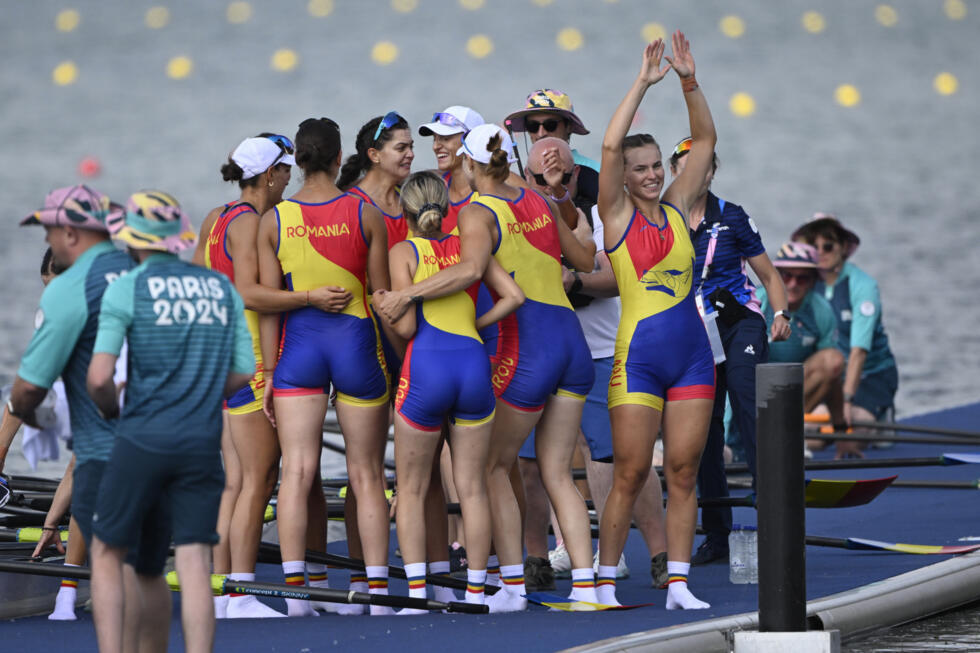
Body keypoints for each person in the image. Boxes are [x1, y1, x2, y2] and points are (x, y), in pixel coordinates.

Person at [376, 123, 598, 613]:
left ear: (470, 165)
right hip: (572, 343)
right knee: (559, 471)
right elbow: (584, 257)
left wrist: (405, 293)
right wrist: (565, 206)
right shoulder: (538, 200)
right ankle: (590, 586)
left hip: (531, 347)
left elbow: (471, 271)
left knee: (494, 468)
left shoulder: (477, 213)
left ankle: (512, 587)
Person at [87, 190, 253, 653]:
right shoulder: (221, 288)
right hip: (201, 438)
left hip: (141, 436)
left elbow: (100, 377)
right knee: (196, 562)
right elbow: (243, 372)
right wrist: (199, 394)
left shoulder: (128, 287)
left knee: (106, 551)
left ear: (134, 241)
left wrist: (110, 409)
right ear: (177, 238)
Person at [595, 33, 717, 610]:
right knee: (631, 471)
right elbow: (611, 144)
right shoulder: (614, 215)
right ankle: (601, 581)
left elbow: (707, 139)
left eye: (653, 167)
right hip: (638, 360)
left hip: (692, 357)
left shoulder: (677, 206)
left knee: (685, 472)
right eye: (639, 168)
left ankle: (679, 584)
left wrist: (689, 81)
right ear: (624, 177)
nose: (648, 174)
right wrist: (643, 81)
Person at [257, 117, 394, 616]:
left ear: (297, 160)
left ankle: (298, 597)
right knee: (366, 474)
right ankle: (375, 597)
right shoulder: (366, 211)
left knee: (296, 472)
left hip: (299, 351)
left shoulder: (275, 219)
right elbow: (381, 297)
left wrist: (270, 372)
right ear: (340, 159)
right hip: (356, 345)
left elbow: (270, 303)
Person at [523, 138, 671, 589]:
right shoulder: (513, 210)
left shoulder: (604, 212)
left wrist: (575, 279)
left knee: (620, 457)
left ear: (576, 169)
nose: (554, 180)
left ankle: (656, 555)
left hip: (603, 346)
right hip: (537, 349)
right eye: (540, 176)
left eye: (566, 175)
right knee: (530, 461)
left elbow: (616, 276)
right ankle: (538, 559)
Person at [376, 171, 524, 611]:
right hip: (473, 364)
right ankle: (477, 592)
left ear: (404, 210)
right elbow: (513, 295)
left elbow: (404, 324)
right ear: (446, 206)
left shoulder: (402, 251)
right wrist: (474, 328)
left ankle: (418, 596)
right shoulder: (467, 247)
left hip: (428, 366)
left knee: (413, 489)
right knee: (473, 486)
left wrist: (384, 304)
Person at [6, 186, 143, 632]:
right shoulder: (146, 272)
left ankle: (73, 592)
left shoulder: (68, 292)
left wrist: (33, 418)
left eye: (48, 231)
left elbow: (26, 395)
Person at [668, 131, 791, 565]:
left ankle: (770, 500)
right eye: (686, 165)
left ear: (712, 172)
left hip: (739, 322)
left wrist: (781, 315)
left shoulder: (733, 217)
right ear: (675, 172)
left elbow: (771, 277)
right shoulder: (664, 220)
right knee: (702, 432)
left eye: (704, 165)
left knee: (743, 392)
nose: (696, 172)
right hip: (696, 332)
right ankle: (717, 535)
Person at [792, 214, 898, 437]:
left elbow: (858, 351)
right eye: (813, 246)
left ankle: (879, 415)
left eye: (828, 246)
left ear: (843, 248)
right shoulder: (805, 284)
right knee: (813, 435)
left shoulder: (862, 286)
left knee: (853, 431)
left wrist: (847, 400)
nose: (820, 251)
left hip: (871, 374)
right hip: (833, 376)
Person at [758, 242, 847, 455]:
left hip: (792, 392)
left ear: (814, 281)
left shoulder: (821, 311)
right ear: (776, 276)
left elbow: (833, 378)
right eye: (786, 276)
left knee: (834, 360)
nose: (793, 284)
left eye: (802, 278)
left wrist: (841, 430)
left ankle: (785, 428)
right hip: (754, 388)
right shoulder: (758, 302)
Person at [505, 88, 600, 203]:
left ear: (568, 126)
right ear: (526, 173)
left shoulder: (597, 172)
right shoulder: (522, 177)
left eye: (550, 125)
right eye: (533, 126)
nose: (541, 134)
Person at [338, 112, 415, 248]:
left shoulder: (412, 199)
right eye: (401, 148)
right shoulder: (353, 206)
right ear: (374, 155)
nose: (411, 154)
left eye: (411, 147)